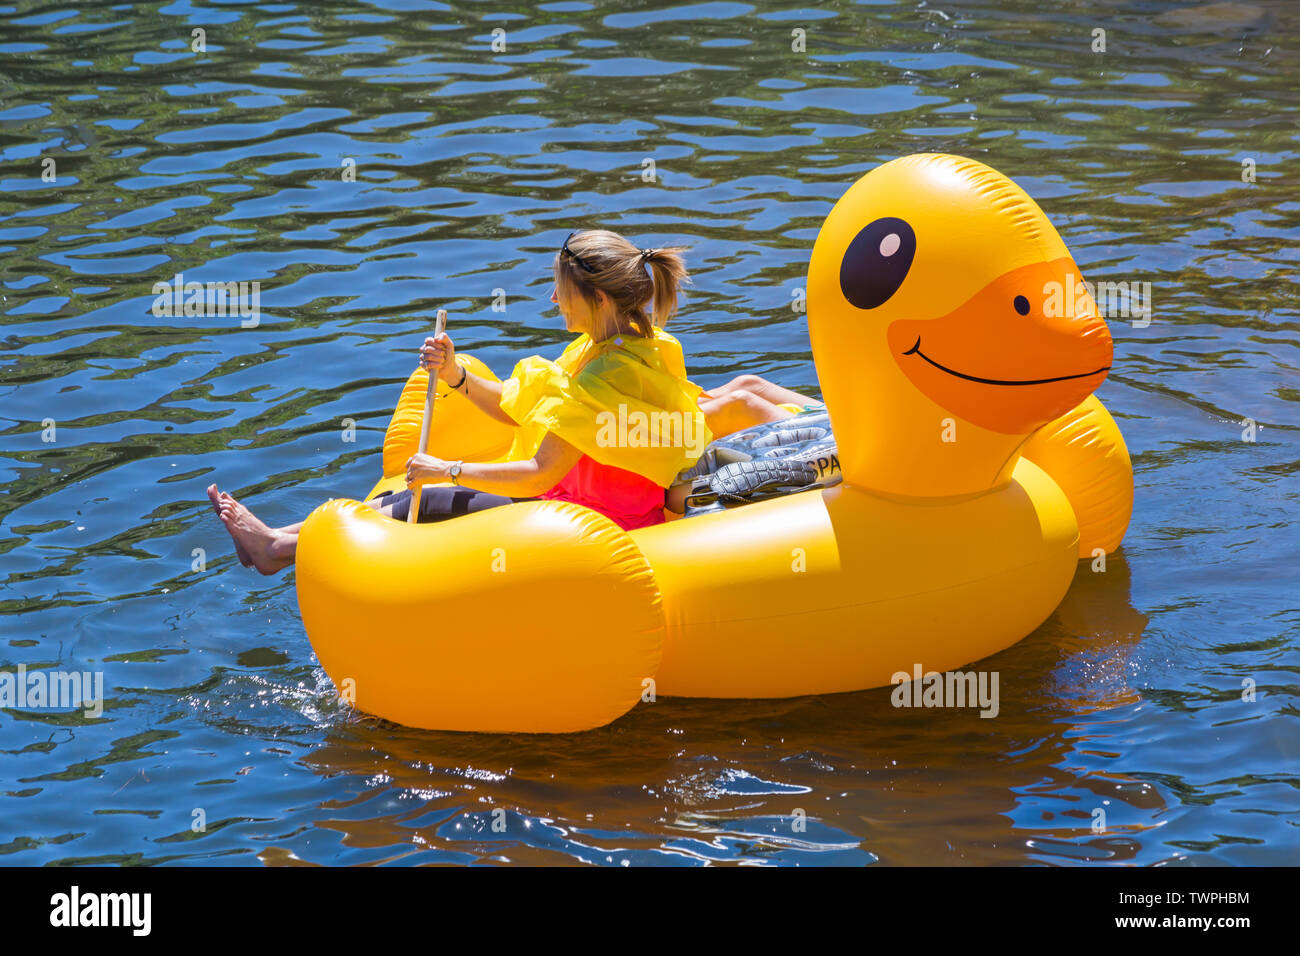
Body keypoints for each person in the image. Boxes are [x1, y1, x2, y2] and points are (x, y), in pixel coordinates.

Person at [209, 229, 711, 574]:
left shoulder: (610, 373)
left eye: (560, 290)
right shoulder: (620, 345)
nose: (553, 301)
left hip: (594, 525)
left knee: (432, 501)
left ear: (599, 300)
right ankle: (280, 540)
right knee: (397, 499)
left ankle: (278, 548)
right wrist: (454, 375)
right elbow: (519, 406)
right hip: (580, 506)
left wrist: (448, 468)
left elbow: (539, 473)